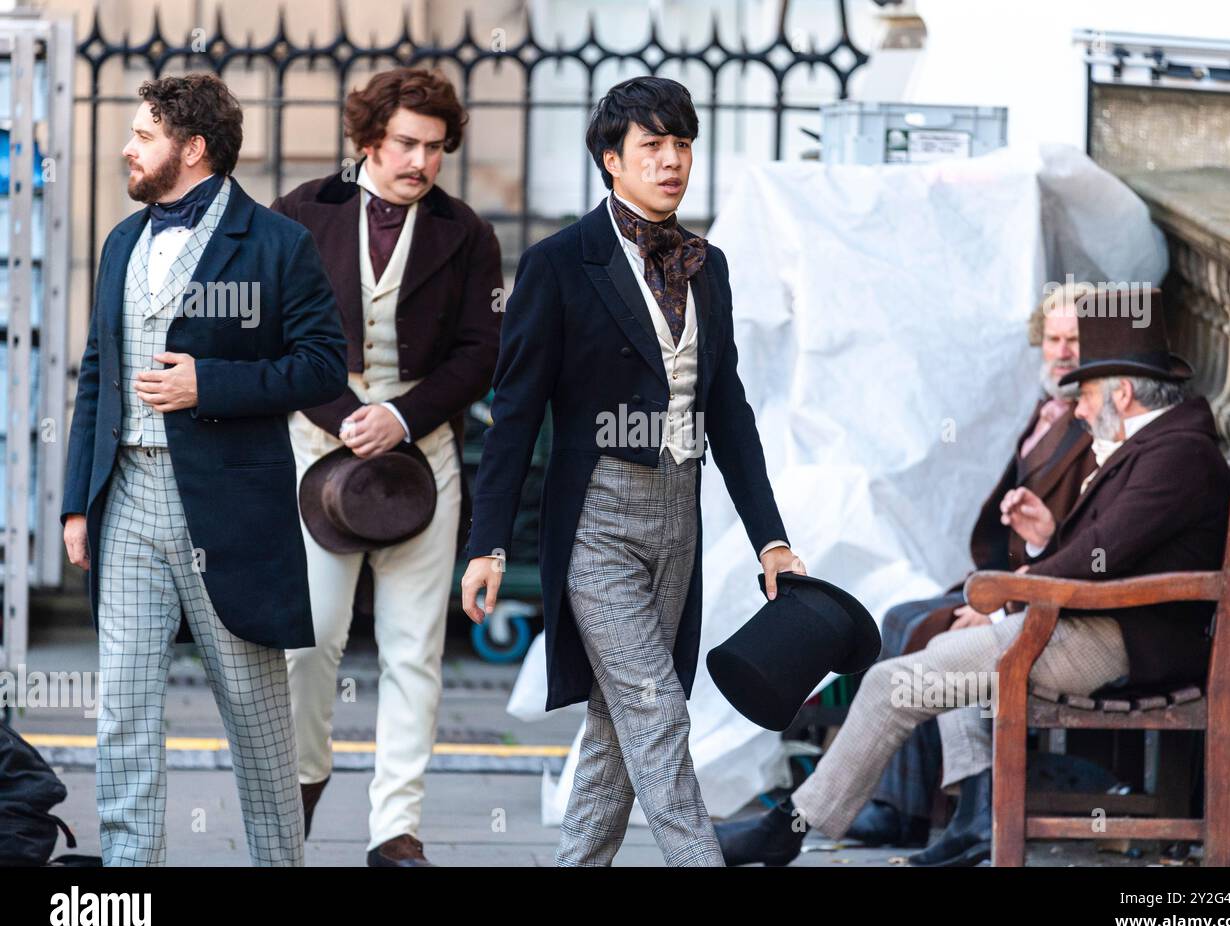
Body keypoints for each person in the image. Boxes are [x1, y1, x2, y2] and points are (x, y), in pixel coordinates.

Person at [715, 287, 1230, 867]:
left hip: (1119, 641)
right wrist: (1022, 580)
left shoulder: (1175, 454)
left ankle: (789, 828)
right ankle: (976, 817)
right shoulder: (1161, 445)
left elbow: (1102, 556)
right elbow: (1098, 552)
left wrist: (1006, 598)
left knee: (892, 685)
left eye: (1085, 394)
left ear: (1125, 393)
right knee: (949, 651)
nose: (1080, 410)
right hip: (1096, 627)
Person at [460, 76, 805, 866]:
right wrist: (488, 545)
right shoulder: (558, 264)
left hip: (678, 513)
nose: (673, 160)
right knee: (657, 710)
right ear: (611, 160)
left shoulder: (706, 265)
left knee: (619, 726)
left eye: (682, 143)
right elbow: (514, 416)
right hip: (597, 518)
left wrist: (771, 542)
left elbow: (731, 414)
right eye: (653, 145)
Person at [60, 73, 348, 866]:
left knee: (256, 718)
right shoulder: (122, 240)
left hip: (230, 509)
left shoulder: (277, 243)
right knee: (122, 711)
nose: (127, 147)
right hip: (127, 499)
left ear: (192, 148)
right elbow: (98, 373)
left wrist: (206, 385)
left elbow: (323, 366)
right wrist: (77, 504)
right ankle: (128, 882)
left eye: (143, 134)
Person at [272, 67, 502, 867]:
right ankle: (300, 782)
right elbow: (277, 337)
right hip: (317, 450)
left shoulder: (467, 233)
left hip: (423, 458)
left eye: (436, 148)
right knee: (308, 644)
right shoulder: (303, 214)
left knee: (415, 650)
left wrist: (403, 417)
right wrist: (346, 418)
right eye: (406, 143)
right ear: (369, 138)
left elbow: (482, 352)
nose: (422, 161)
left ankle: (394, 831)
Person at [849, 286, 1094, 851]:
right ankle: (903, 805)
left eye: (1074, 341)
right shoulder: (1049, 409)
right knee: (899, 617)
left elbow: (1079, 544)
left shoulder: (1093, 423)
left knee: (923, 633)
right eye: (1053, 340)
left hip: (1040, 595)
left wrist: (998, 604)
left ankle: (933, 810)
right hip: (1008, 581)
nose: (1061, 353)